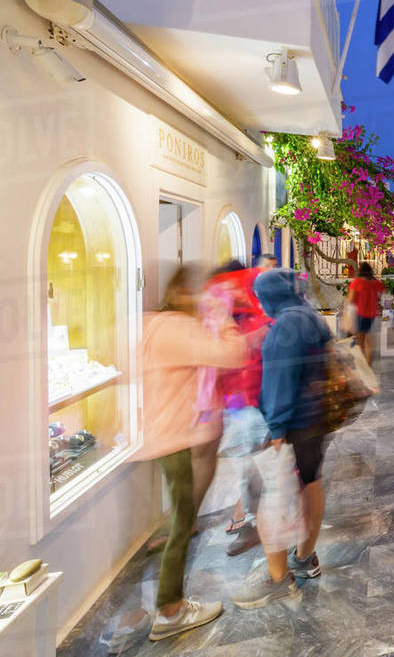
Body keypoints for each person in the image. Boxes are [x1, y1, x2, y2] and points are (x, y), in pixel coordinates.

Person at [139, 266, 250, 641]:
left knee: (181, 518)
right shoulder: (178, 328)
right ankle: (170, 611)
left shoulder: (151, 324)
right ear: (184, 293)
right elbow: (232, 354)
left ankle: (168, 600)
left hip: (160, 432)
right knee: (183, 524)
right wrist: (224, 319)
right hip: (177, 436)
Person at [233, 269, 331, 609]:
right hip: (316, 419)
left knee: (271, 497)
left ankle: (277, 578)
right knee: (311, 484)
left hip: (293, 424)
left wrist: (275, 430)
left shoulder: (287, 325)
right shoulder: (309, 315)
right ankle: (305, 557)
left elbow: (281, 380)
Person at [206, 262, 272, 558]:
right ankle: (255, 521)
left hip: (250, 400)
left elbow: (245, 354)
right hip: (245, 399)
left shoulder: (244, 311)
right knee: (252, 464)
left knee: (253, 465)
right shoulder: (248, 307)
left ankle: (259, 525)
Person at [346, 262, 384, 363]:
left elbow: (350, 299)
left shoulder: (356, 282)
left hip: (360, 314)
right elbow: (380, 293)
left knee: (359, 341)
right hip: (371, 315)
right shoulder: (375, 283)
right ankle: (368, 362)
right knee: (368, 339)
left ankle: (361, 363)